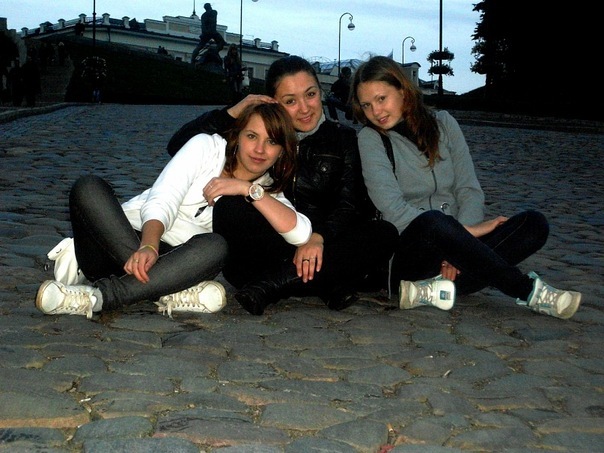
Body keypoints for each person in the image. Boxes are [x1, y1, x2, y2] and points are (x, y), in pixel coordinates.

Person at [350, 55, 582, 319]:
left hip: (459, 245)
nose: (376, 112)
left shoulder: (444, 124)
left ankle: (434, 289)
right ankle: (527, 291)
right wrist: (462, 236)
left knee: (534, 224)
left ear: (402, 91)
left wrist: (459, 245)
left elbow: (468, 189)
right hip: (411, 250)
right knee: (433, 221)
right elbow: (393, 210)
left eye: (382, 99)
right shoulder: (370, 139)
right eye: (367, 105)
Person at [167, 55, 399, 316]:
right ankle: (326, 282)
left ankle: (274, 285)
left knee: (383, 233)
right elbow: (178, 146)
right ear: (273, 103)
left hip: (323, 244)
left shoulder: (343, 139)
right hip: (269, 247)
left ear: (320, 92)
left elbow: (348, 205)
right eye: (290, 101)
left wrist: (317, 238)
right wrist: (234, 111)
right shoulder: (258, 136)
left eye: (310, 94)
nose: (304, 108)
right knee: (229, 207)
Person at [36, 103, 311, 320]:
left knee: (216, 246)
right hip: (121, 243)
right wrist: (148, 246)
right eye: (252, 136)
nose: (260, 149)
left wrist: (246, 189)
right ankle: (162, 290)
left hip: (177, 262)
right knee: (88, 187)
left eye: (272, 142)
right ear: (237, 137)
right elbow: (163, 197)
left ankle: (97, 297)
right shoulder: (206, 147)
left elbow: (301, 233)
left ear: (282, 152)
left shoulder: (266, 194)